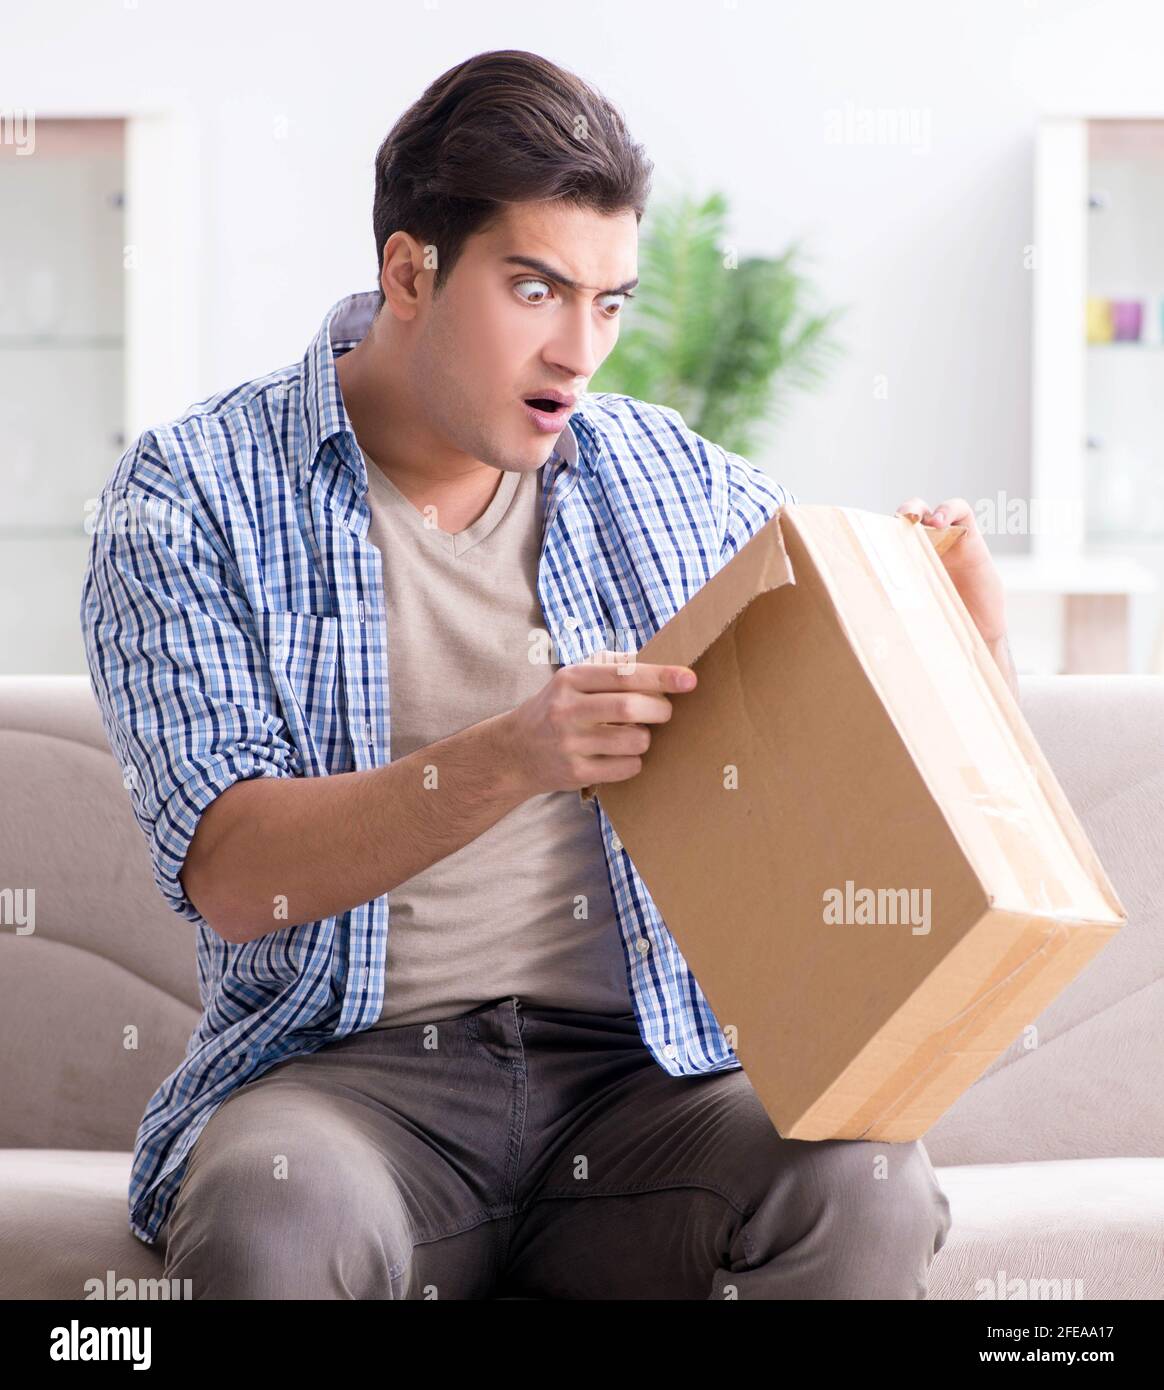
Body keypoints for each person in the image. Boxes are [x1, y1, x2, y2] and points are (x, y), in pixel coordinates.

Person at [81, 49, 1015, 1299]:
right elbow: (237, 875)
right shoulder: (191, 495)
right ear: (410, 271)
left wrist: (970, 639)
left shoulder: (675, 482)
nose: (582, 351)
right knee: (274, 1214)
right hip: (350, 1085)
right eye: (536, 290)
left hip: (646, 1084)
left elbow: (882, 787)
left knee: (865, 1180)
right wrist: (517, 754)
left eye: (612, 301)